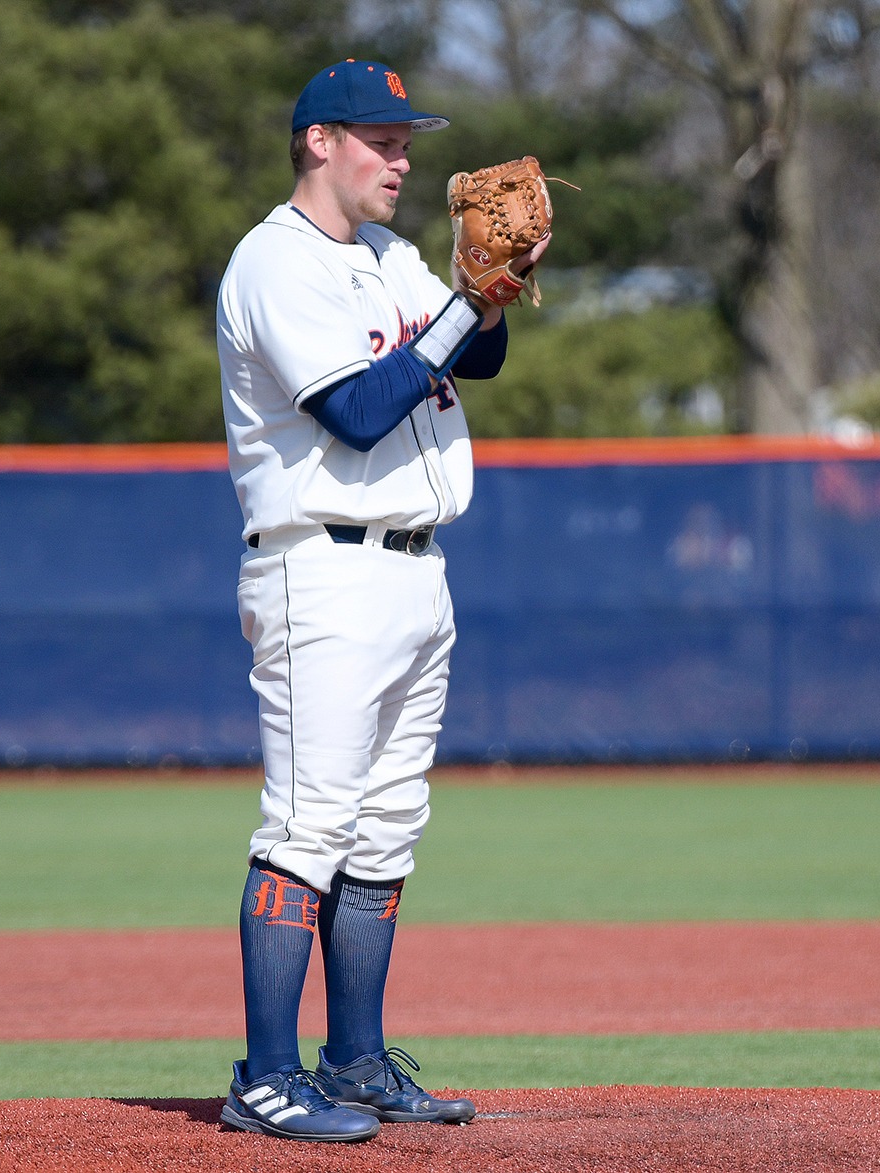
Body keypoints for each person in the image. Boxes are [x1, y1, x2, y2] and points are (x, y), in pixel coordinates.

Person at [212, 59, 546, 1143]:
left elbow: (473, 361)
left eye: (406, 141)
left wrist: (490, 288)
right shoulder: (275, 262)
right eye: (380, 140)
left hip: (415, 569)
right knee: (309, 825)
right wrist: (456, 312)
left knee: (387, 827)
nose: (402, 160)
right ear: (318, 142)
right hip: (322, 568)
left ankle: (352, 1059)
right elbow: (356, 410)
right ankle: (263, 1076)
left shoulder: (395, 258)